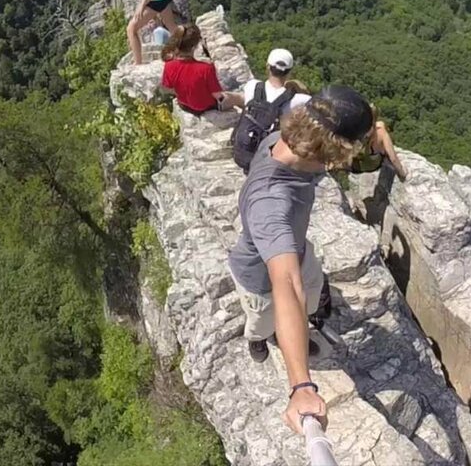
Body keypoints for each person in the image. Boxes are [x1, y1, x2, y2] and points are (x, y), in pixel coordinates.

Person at [228, 85, 376, 435]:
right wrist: (301, 387)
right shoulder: (271, 203)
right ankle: (260, 339)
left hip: (297, 250)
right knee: (267, 317)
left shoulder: (288, 137)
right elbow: (286, 284)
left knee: (307, 295)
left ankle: (291, 333)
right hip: (260, 278)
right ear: (328, 150)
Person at [229, 49, 312, 172]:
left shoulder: (252, 86)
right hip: (266, 163)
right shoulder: (297, 100)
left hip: (242, 155)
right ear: (289, 73)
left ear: (267, 67)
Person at [160, 24, 242, 115]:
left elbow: (166, 88)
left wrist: (182, 92)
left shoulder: (169, 65)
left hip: (184, 105)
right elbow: (217, 95)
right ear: (195, 46)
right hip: (206, 107)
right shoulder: (206, 68)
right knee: (238, 97)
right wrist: (227, 98)